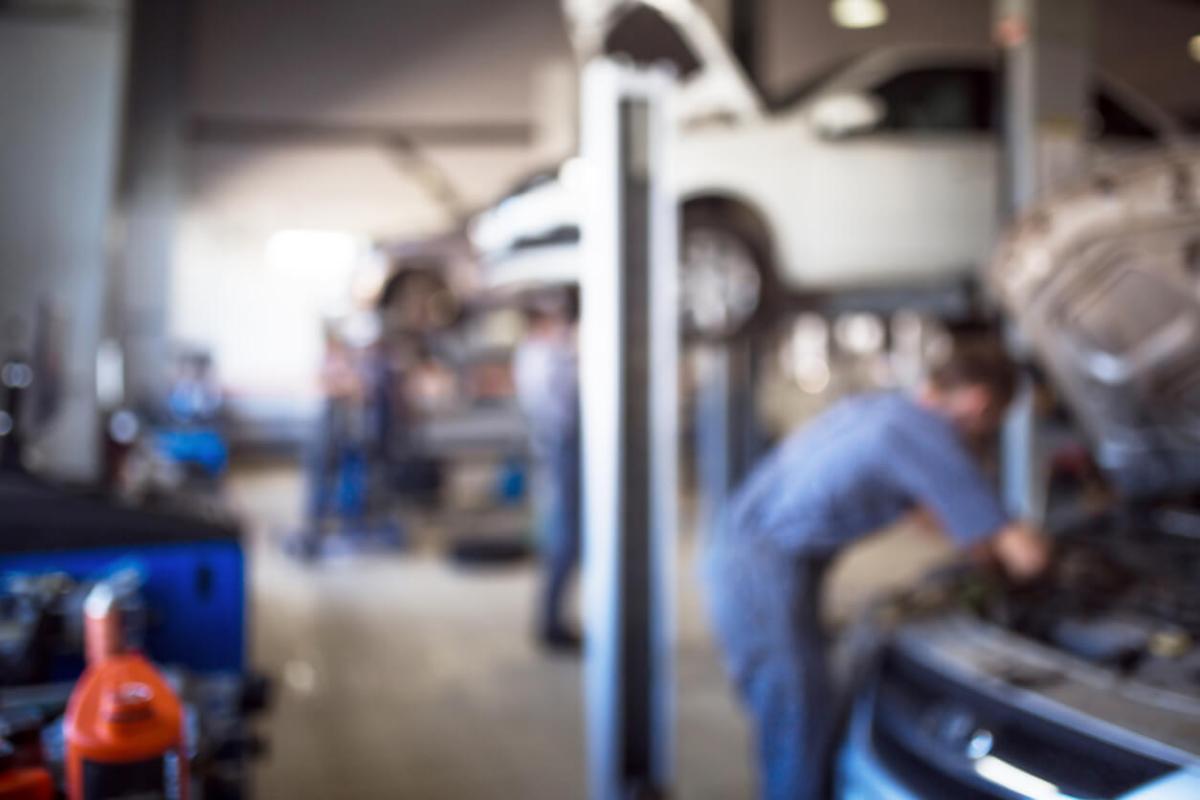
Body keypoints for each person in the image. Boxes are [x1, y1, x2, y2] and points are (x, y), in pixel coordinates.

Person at [701, 340, 1050, 800]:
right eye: (995, 420)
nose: (989, 431)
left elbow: (924, 511)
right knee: (797, 718)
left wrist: (974, 537)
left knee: (794, 712)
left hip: (744, 547)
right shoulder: (930, 436)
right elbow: (1028, 557)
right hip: (762, 569)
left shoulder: (887, 410)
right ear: (979, 402)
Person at [513, 288, 582, 652]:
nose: (562, 325)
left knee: (566, 535)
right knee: (566, 537)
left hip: (556, 448)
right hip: (563, 448)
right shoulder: (545, 355)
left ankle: (553, 619)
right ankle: (552, 623)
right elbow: (565, 403)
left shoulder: (538, 353)